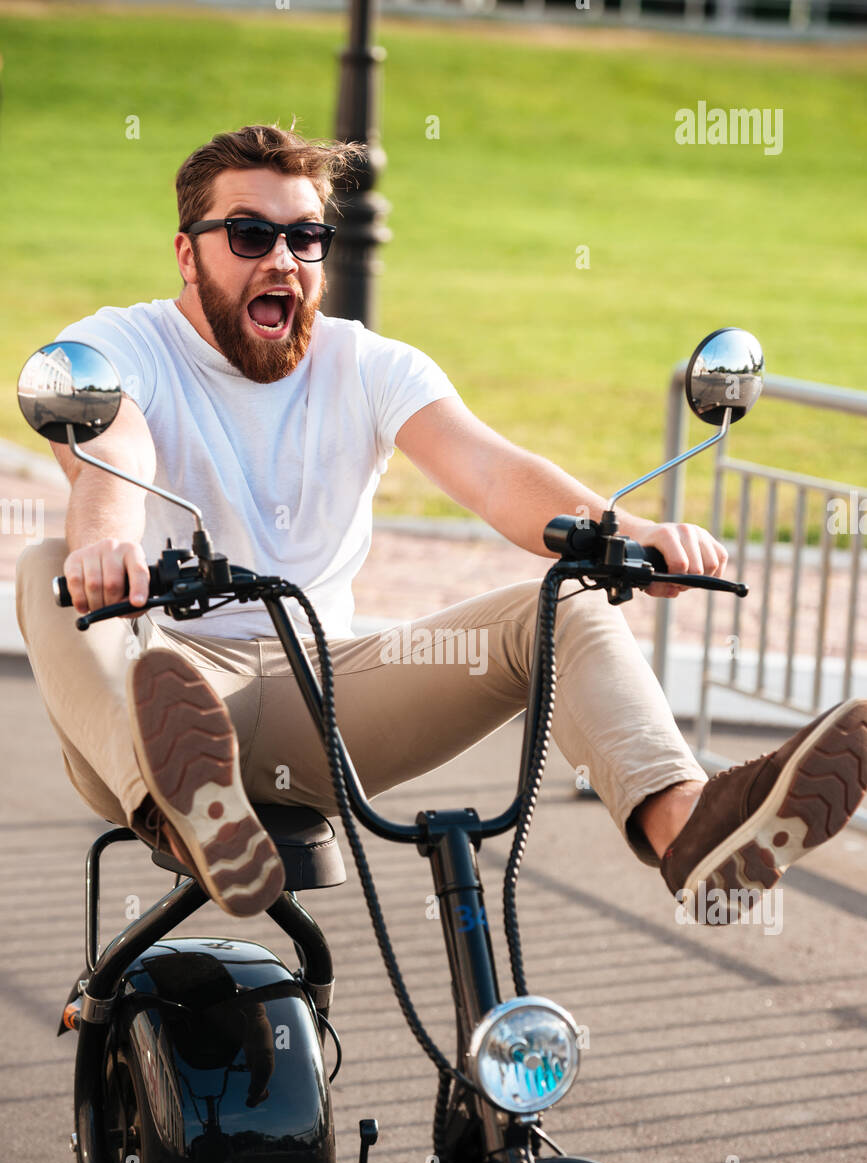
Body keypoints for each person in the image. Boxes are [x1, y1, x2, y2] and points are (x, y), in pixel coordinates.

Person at [15, 124, 867, 921]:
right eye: (249, 235)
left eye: (306, 239)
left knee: (564, 607)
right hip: (155, 670)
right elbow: (111, 445)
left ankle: (689, 832)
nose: (283, 260)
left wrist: (626, 534)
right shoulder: (126, 343)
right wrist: (105, 545)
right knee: (43, 562)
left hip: (320, 682)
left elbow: (495, 472)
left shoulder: (365, 363)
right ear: (185, 252)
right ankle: (186, 809)